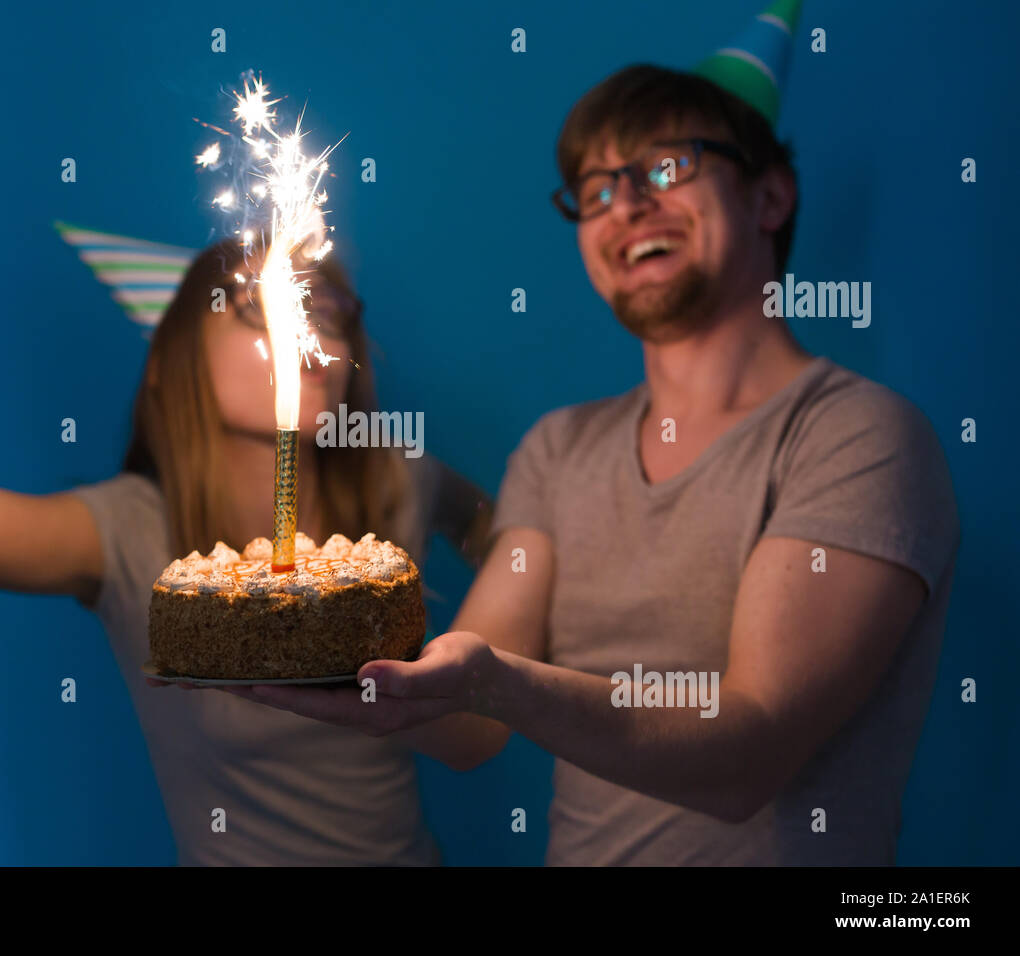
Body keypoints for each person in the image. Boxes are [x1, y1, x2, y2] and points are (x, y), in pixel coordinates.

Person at [228, 4, 961, 866]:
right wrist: (341, 658)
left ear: (770, 195)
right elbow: (469, 725)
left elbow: (748, 757)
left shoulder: (858, 438)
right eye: (598, 189)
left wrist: (492, 682)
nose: (629, 205)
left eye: (669, 163)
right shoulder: (557, 450)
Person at [0, 31, 489, 865]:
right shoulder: (131, 536)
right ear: (173, 364)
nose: (306, 330)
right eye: (260, 309)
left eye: (327, 314)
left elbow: (525, 543)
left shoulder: (401, 480)